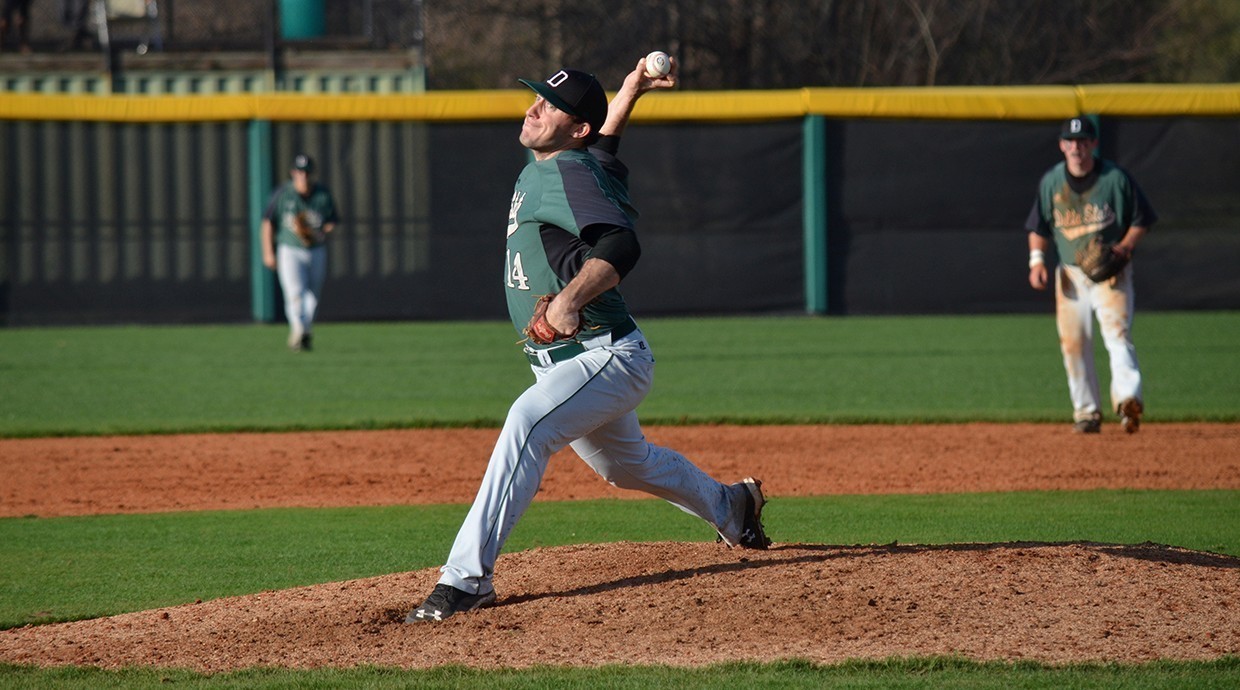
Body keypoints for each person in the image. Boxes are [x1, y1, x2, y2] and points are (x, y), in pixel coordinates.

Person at [405, 55, 771, 623]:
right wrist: (629, 91)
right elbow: (601, 146)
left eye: (549, 107)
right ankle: (732, 505)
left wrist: (570, 299)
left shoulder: (564, 171)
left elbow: (621, 246)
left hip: (605, 353)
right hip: (569, 361)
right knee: (626, 466)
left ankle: (467, 579)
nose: (533, 109)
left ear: (573, 128)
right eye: (536, 98)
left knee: (526, 426)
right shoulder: (573, 160)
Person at [1025, 117, 1156, 434]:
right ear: (1061, 145)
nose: (1076, 148)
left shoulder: (1115, 179)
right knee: (1073, 344)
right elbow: (1039, 227)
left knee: (1117, 334)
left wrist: (1123, 249)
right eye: (1070, 142)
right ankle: (1086, 413)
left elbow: (1142, 219)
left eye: (1083, 141)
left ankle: (1127, 399)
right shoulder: (1052, 182)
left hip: (1111, 273)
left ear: (1093, 144)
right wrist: (1037, 261)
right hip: (1070, 275)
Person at [261, 154, 339, 352]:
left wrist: (320, 231)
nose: (303, 176)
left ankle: (304, 329)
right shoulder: (283, 193)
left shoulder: (322, 194)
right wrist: (268, 252)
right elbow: (267, 222)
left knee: (312, 296)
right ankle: (298, 329)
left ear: (311, 174)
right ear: (293, 173)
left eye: (306, 172)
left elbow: (332, 221)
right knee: (295, 292)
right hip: (289, 249)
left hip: (316, 249)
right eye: (299, 172)